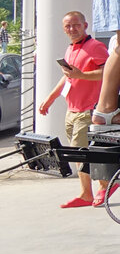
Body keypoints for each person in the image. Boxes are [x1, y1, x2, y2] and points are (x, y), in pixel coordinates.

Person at [37, 12, 112, 208]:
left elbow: (108, 72)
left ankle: (101, 187)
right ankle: (89, 192)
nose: (72, 29)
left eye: (76, 25)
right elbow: (68, 78)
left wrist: (82, 75)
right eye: (68, 26)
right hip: (72, 109)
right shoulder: (71, 49)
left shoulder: (95, 46)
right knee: (79, 152)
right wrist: (49, 99)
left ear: (85, 25)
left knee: (82, 151)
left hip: (88, 109)